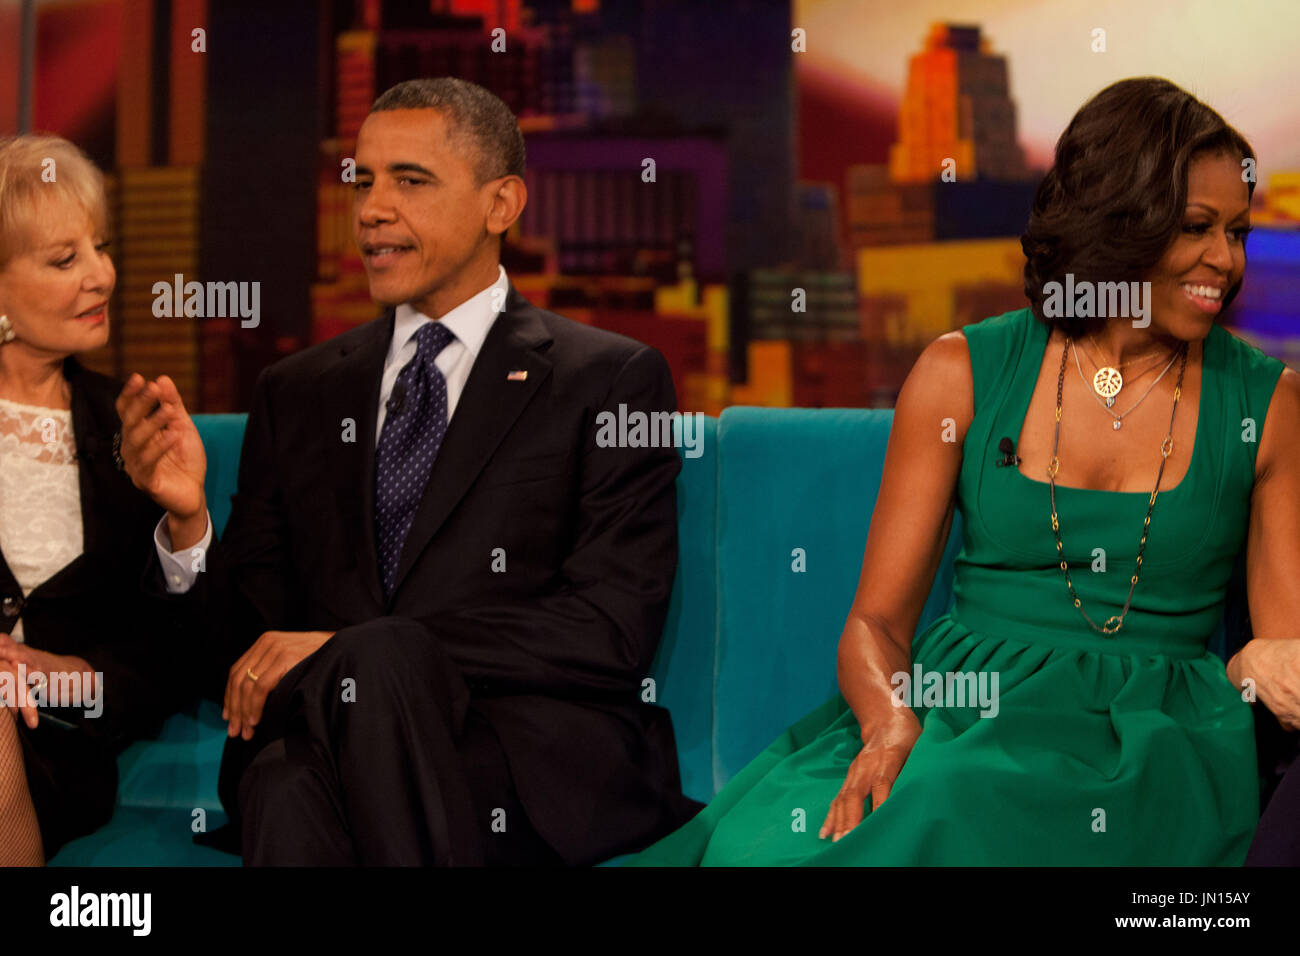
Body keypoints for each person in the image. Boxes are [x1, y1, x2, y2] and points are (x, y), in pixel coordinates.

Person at [630, 77, 1300, 866]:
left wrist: (1258, 660)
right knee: (805, 845)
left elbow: (1284, 644)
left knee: (966, 815)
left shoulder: (1268, 401)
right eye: (1197, 228)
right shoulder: (963, 372)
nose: (1225, 260)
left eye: (1239, 232)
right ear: (1120, 219)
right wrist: (889, 724)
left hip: (1157, 740)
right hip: (964, 712)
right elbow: (875, 626)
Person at [118, 76, 702, 866]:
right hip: (324, 747)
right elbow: (245, 649)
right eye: (363, 179)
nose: (369, 209)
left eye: (410, 180)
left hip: (521, 761)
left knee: (349, 699)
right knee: (284, 782)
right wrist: (188, 526)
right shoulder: (298, 393)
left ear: (501, 205)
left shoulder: (609, 379)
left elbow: (610, 629)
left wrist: (356, 647)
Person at [0, 133, 197, 865]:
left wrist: (186, 519)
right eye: (64, 259)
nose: (103, 276)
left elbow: (179, 660)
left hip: (52, 752)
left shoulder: (133, 430)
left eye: (101, 248)